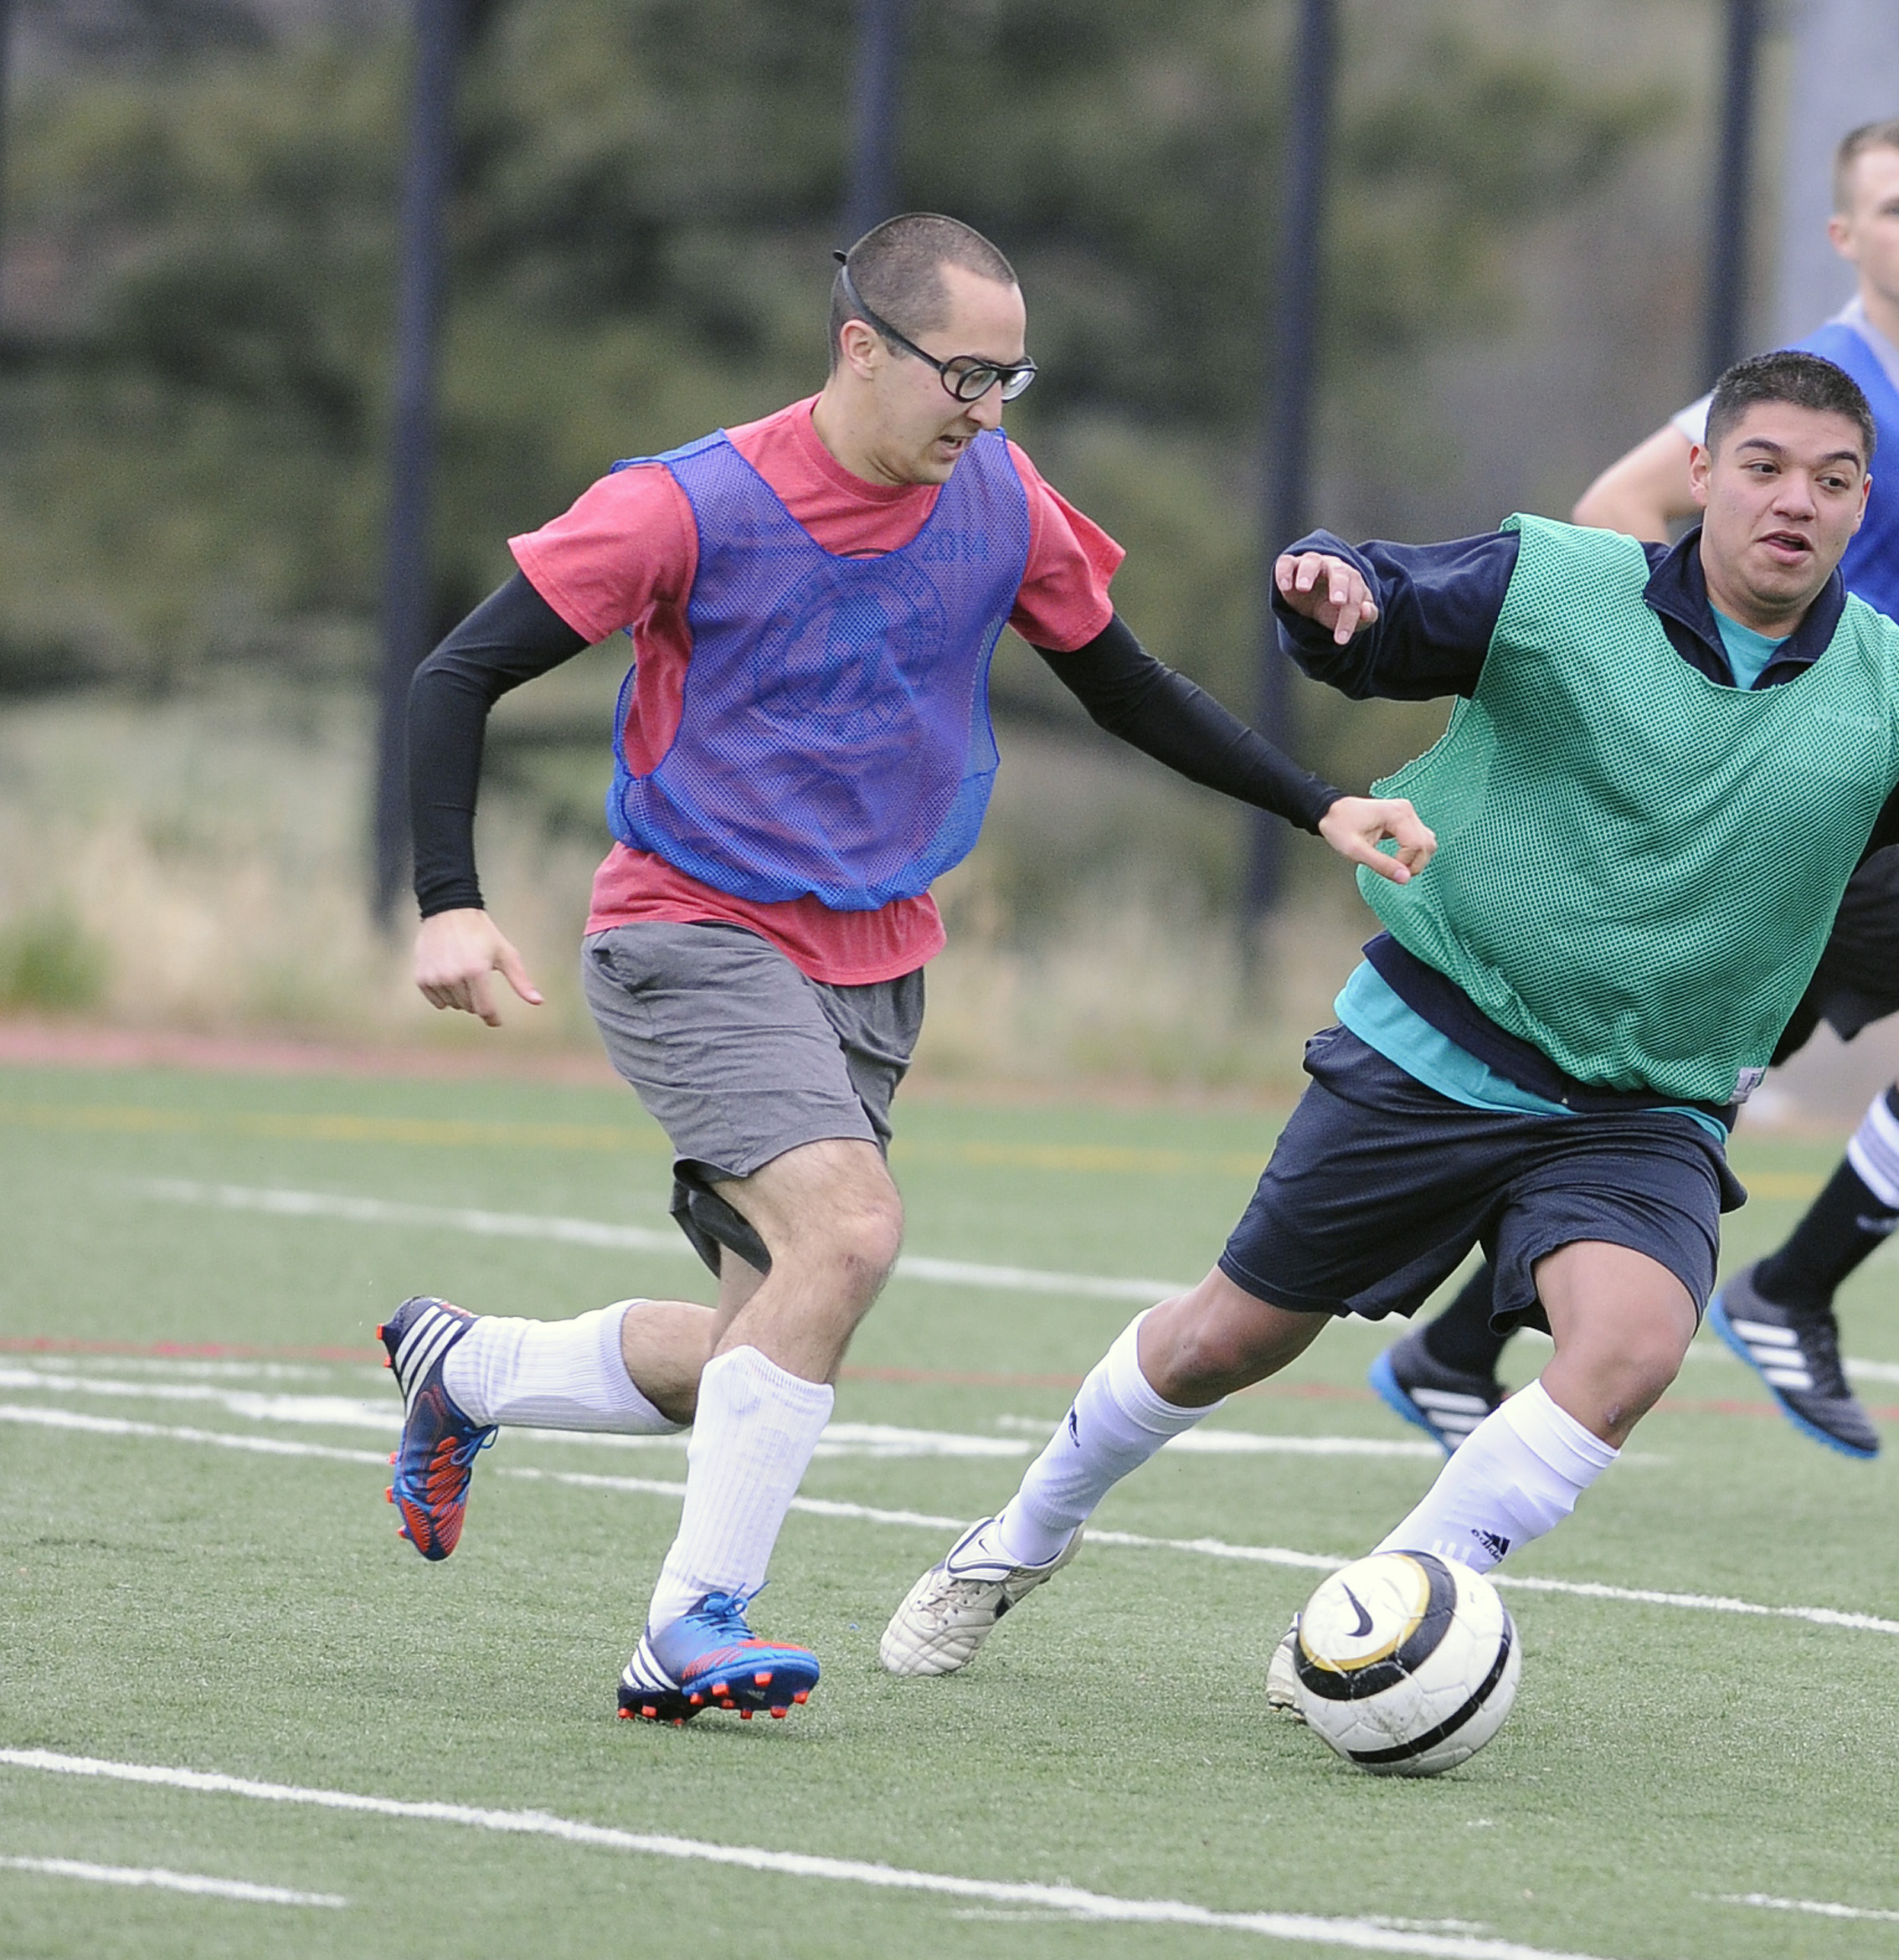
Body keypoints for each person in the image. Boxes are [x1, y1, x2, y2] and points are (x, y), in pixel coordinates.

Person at [874, 350, 1899, 1708]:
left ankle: (1393, 1611)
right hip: (1438, 1048)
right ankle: (1019, 1535)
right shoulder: (1561, 583)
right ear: (1700, 472)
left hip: (1647, 1104)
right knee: (1223, 1341)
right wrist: (1340, 601)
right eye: (1763, 466)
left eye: (1830, 477)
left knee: (1628, 1345)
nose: (1794, 500)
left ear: (1863, 501)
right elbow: (1392, 604)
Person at [373, 212, 1432, 1726]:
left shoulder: (999, 494)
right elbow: (455, 672)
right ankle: (689, 1627)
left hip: (876, 965)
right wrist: (449, 902)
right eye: (962, 374)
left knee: (760, 1333)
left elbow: (1123, 684)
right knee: (853, 1235)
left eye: (1011, 378)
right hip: (693, 930)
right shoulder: (684, 506)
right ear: (861, 345)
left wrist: (1319, 804)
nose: (985, 410)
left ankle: (468, 1370)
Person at [1376, 116, 1899, 1461]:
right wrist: (1701, 698)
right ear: (1848, 237)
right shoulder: (1810, 384)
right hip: (1784, 788)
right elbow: (1614, 508)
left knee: (1685, 1089)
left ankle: (1467, 1347)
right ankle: (1782, 1293)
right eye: (1898, 208)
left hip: (1856, 798)